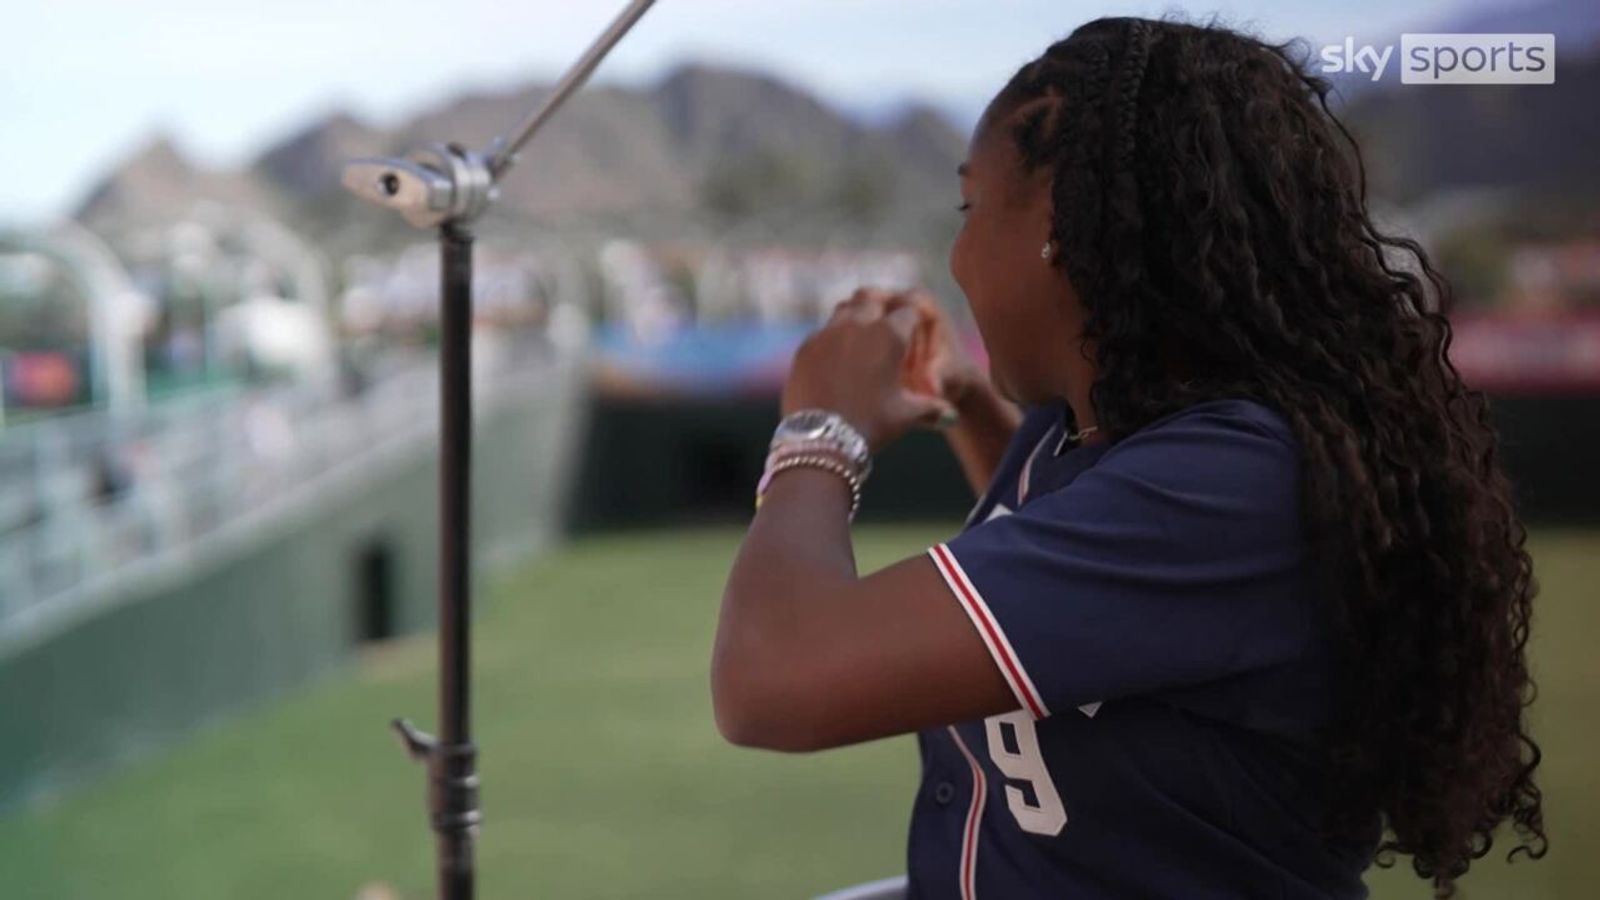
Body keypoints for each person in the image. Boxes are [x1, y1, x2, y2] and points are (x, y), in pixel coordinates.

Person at [710, 15, 1547, 900]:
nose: (954, 256)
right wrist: (966, 400)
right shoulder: (1091, 424)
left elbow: (772, 679)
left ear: (1061, 226)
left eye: (970, 207)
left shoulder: (1230, 483)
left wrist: (820, 431)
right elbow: (1067, 574)